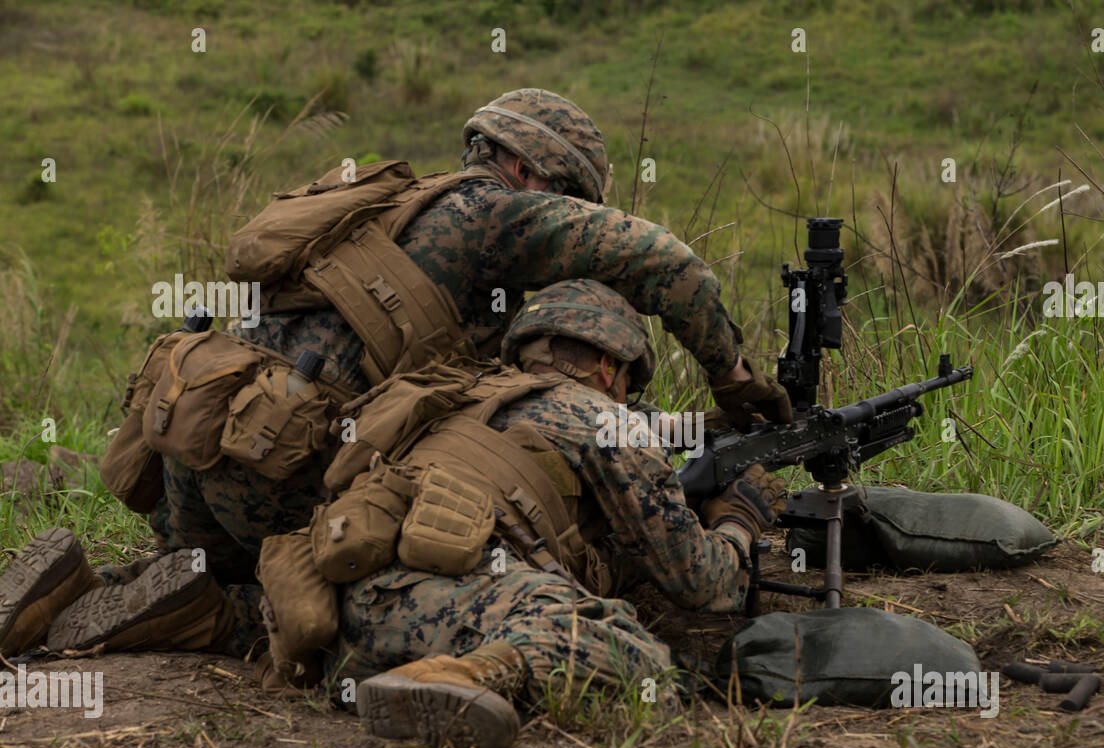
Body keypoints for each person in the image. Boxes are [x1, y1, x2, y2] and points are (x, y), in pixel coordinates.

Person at [0, 89, 790, 661]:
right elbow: (669, 263)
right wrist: (734, 378)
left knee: (233, 562)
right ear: (528, 167)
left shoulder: (377, 204)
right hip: (283, 470)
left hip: (191, 455)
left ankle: (91, 589)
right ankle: (210, 613)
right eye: (572, 200)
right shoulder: (495, 214)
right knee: (376, 571)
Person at [294, 280, 788, 748]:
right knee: (634, 656)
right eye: (627, 384)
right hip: (459, 599)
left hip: (347, 612)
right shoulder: (605, 420)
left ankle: (406, 674)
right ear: (607, 363)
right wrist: (739, 522)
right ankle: (457, 680)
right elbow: (702, 583)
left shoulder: (467, 392)